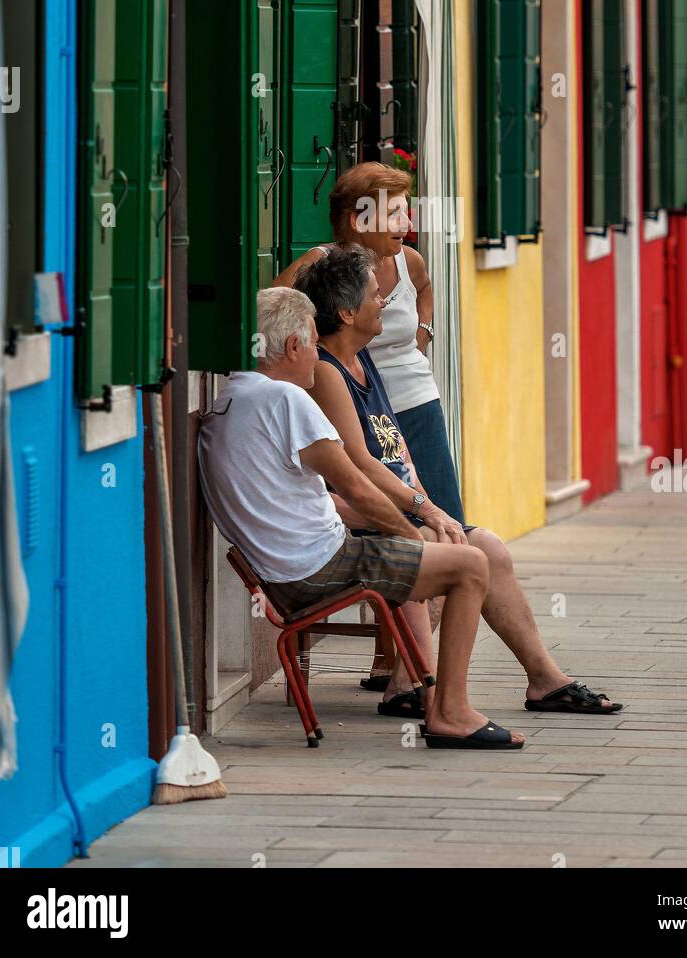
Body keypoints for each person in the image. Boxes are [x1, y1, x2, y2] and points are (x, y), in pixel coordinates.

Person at [293, 246, 624, 718]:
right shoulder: (327, 371)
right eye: (373, 293)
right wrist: (425, 510)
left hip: (396, 509)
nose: (384, 298)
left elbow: (396, 451)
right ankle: (415, 686)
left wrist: (429, 507)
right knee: (459, 553)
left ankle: (544, 680)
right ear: (346, 312)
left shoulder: (361, 360)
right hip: (359, 517)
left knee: (490, 547)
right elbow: (360, 465)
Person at [197, 286, 524, 750]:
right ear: (293, 347)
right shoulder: (285, 401)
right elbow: (355, 485)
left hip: (287, 572)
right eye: (313, 342)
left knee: (453, 555)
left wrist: (407, 533)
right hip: (317, 569)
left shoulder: (233, 400)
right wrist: (412, 535)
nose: (317, 354)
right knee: (471, 565)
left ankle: (425, 692)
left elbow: (315, 500)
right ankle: (450, 712)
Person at [272, 162, 463, 526]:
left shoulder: (409, 261)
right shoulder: (324, 264)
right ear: (358, 218)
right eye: (393, 214)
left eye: (405, 213)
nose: (406, 225)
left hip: (415, 399)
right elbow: (271, 306)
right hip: (358, 410)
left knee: (445, 511)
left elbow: (424, 289)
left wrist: (424, 331)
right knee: (388, 518)